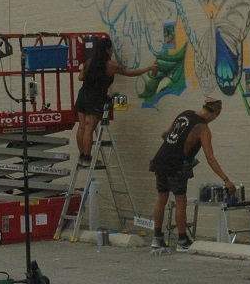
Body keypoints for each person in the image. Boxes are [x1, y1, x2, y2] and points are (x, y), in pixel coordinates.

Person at [149, 97, 234, 252]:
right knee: (180, 200)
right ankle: (182, 240)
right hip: (176, 165)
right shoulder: (203, 128)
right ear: (215, 113)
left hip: (160, 159)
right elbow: (210, 157)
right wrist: (226, 179)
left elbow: (165, 133)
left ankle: (157, 238)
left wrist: (177, 147)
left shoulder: (185, 113)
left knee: (162, 198)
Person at [74, 37, 156, 167]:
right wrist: (148, 68)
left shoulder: (90, 62)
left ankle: (82, 156)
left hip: (83, 95)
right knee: (90, 128)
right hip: (96, 99)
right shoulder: (111, 65)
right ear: (107, 50)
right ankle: (88, 158)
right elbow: (131, 73)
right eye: (111, 48)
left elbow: (80, 77)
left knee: (82, 127)